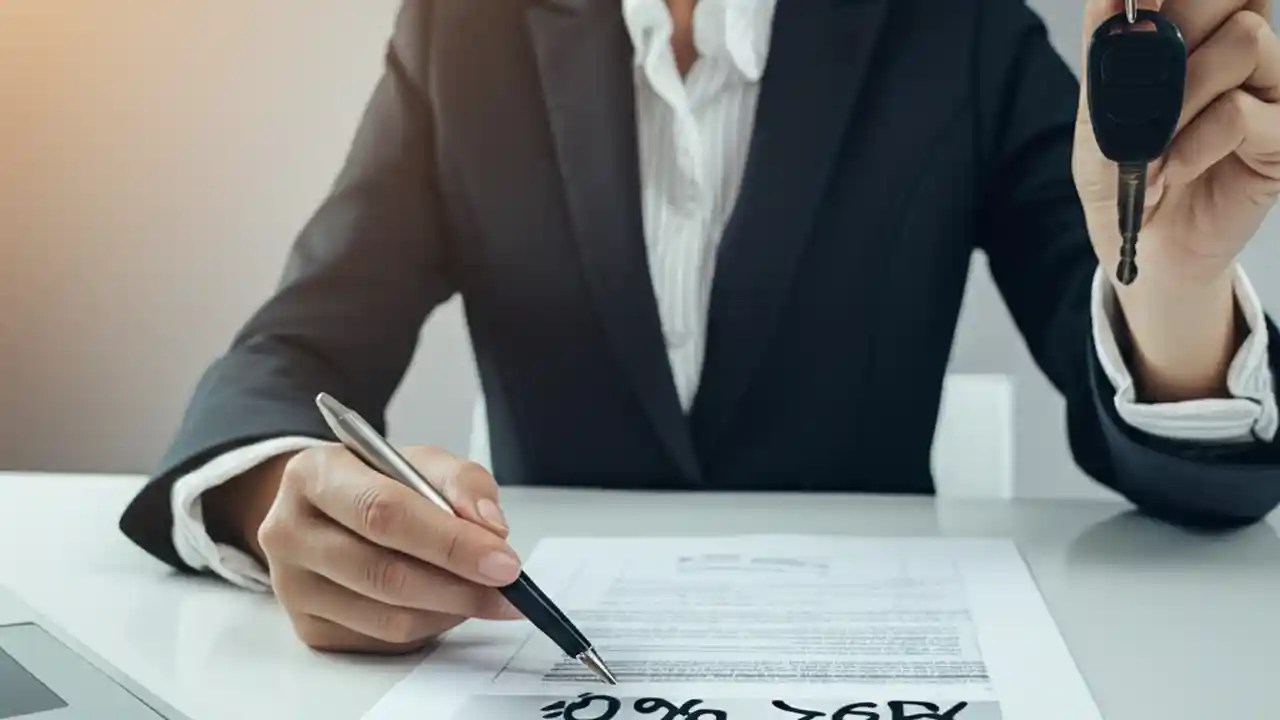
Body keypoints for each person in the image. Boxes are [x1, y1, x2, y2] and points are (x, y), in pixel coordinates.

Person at [121, 0, 1280, 654]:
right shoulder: (461, 30)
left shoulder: (956, 30)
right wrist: (282, 499)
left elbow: (1181, 466)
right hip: (529, 652)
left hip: (869, 657)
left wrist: (1172, 277)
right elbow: (293, 353)